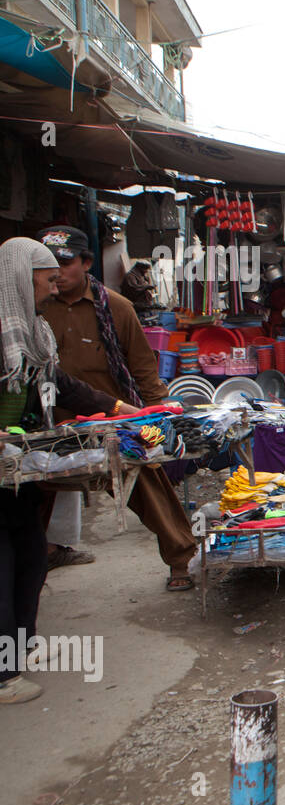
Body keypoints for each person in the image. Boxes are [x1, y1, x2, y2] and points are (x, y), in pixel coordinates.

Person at [0, 238, 138, 703]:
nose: (54, 289)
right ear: (23, 278)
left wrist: (122, 410)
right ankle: (3, 676)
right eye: (46, 279)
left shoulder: (32, 331)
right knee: (3, 560)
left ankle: (21, 645)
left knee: (31, 552)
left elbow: (62, 385)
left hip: (15, 468)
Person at [36, 225, 196, 592]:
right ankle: (40, 556)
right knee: (28, 496)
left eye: (66, 262)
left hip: (113, 419)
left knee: (150, 483)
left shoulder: (117, 308)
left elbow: (143, 369)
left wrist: (159, 418)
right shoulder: (37, 307)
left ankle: (181, 559)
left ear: (86, 262)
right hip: (51, 420)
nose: (58, 272)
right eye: (50, 265)